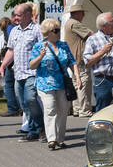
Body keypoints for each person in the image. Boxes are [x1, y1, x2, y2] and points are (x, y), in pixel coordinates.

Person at [27, 19, 78, 150]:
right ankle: (51, 139)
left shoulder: (63, 45)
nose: (58, 32)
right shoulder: (39, 46)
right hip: (45, 84)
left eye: (59, 30)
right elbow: (32, 65)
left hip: (62, 83)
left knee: (63, 111)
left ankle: (60, 139)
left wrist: (77, 77)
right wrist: (40, 56)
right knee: (50, 110)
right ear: (47, 33)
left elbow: (72, 62)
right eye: (56, 30)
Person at [0, 3, 44, 140]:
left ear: (29, 15)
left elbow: (44, 49)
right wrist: (2, 66)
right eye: (15, 15)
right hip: (18, 73)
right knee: (23, 103)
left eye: (19, 15)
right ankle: (33, 130)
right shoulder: (14, 31)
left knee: (30, 99)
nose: (15, 18)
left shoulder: (37, 29)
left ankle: (39, 127)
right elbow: (10, 51)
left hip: (32, 73)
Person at [84, 12, 113, 112]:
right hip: (103, 81)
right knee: (103, 111)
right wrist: (103, 51)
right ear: (104, 26)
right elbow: (87, 62)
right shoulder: (92, 39)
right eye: (112, 22)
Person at [61, 0, 94, 116]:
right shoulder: (75, 23)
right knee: (83, 82)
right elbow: (91, 34)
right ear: (77, 13)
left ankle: (77, 108)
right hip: (79, 58)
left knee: (76, 82)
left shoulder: (69, 23)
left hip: (72, 57)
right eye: (82, 13)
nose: (83, 15)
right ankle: (84, 110)